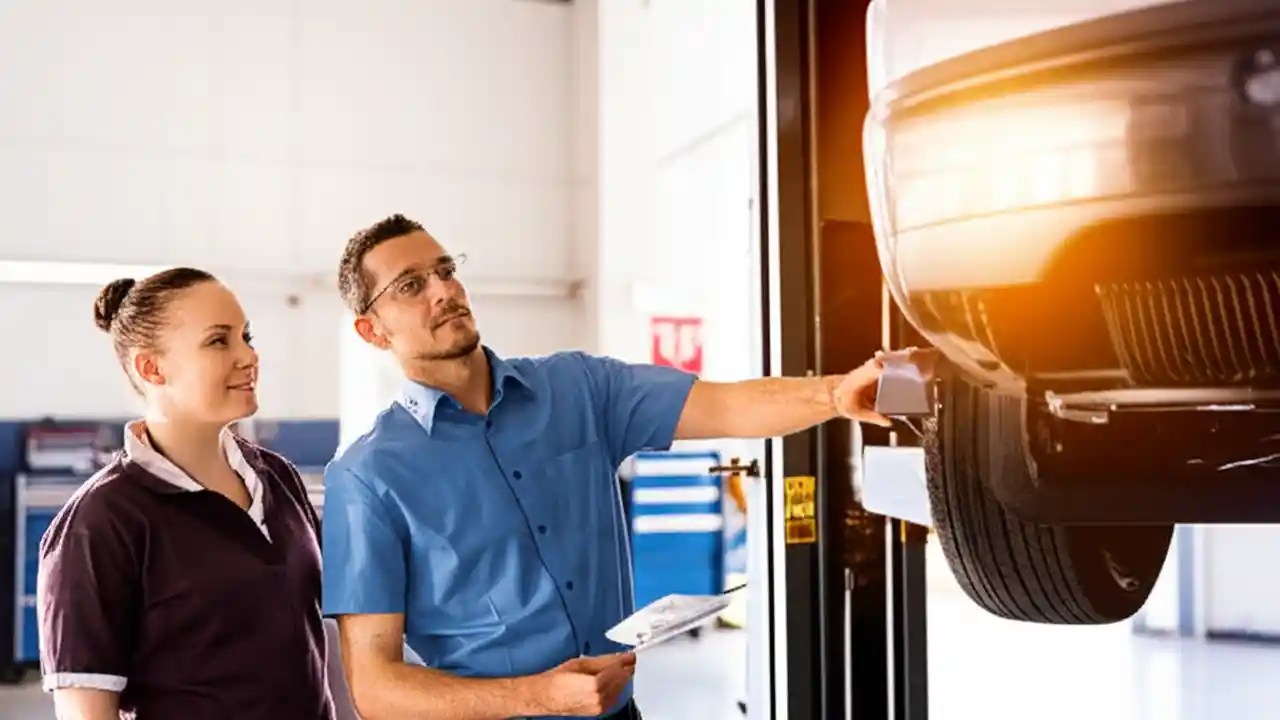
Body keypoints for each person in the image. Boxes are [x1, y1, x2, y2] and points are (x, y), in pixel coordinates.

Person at [322, 214, 892, 720]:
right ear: (372, 330)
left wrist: (838, 394)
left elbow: (726, 404)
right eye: (412, 285)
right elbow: (376, 689)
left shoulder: (576, 389)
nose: (443, 290)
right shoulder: (367, 476)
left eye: (445, 270)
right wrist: (539, 696)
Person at [37, 268, 334, 720]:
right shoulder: (100, 523)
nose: (248, 355)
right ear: (151, 367)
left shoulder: (277, 478)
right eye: (219, 341)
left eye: (246, 336)